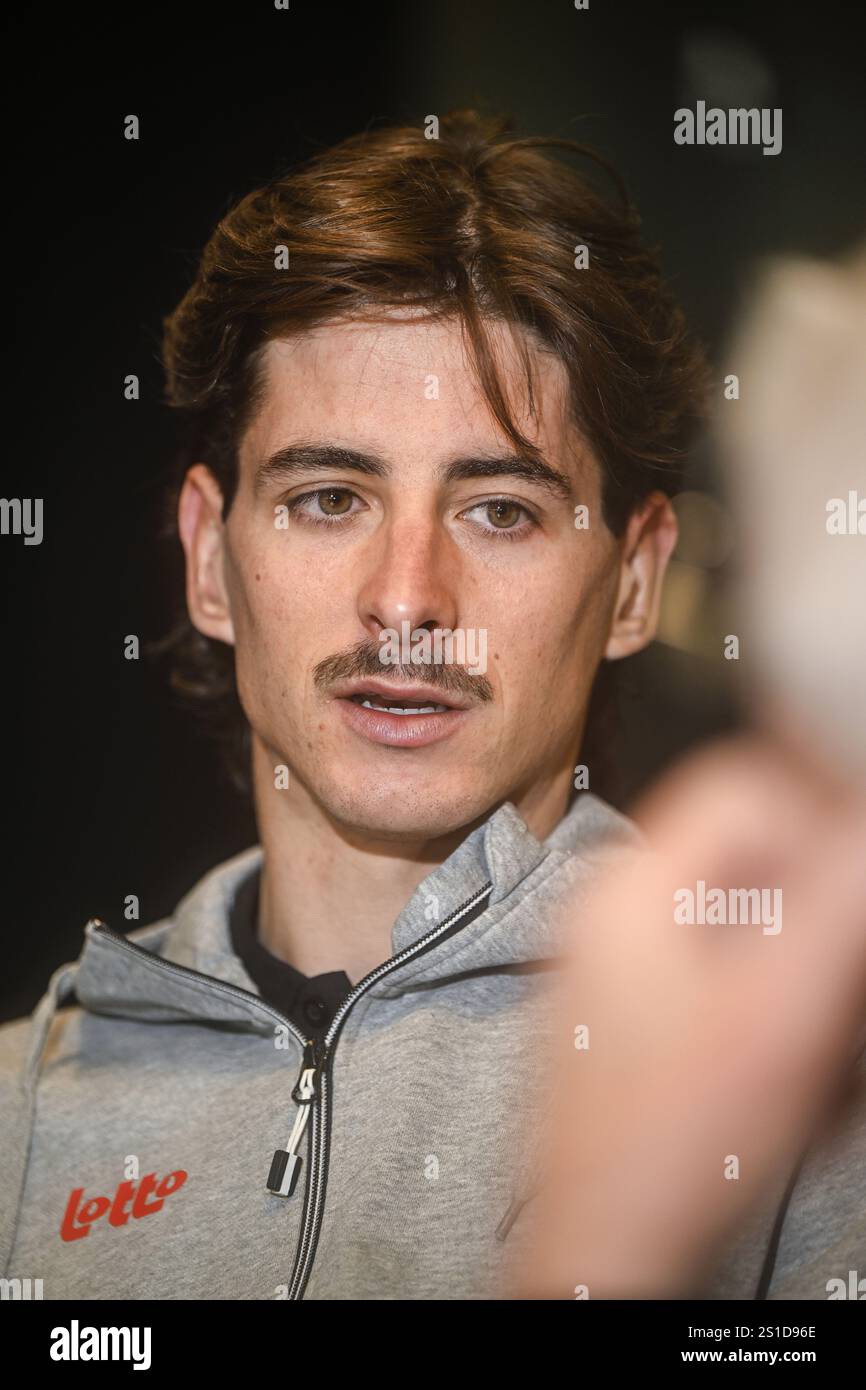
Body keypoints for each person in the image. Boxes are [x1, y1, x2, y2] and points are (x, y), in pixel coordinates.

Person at [0, 109, 844, 1302]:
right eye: (329, 497)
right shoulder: (18, 1112)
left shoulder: (804, 1098)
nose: (406, 599)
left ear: (634, 581)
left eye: (498, 508)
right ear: (207, 560)